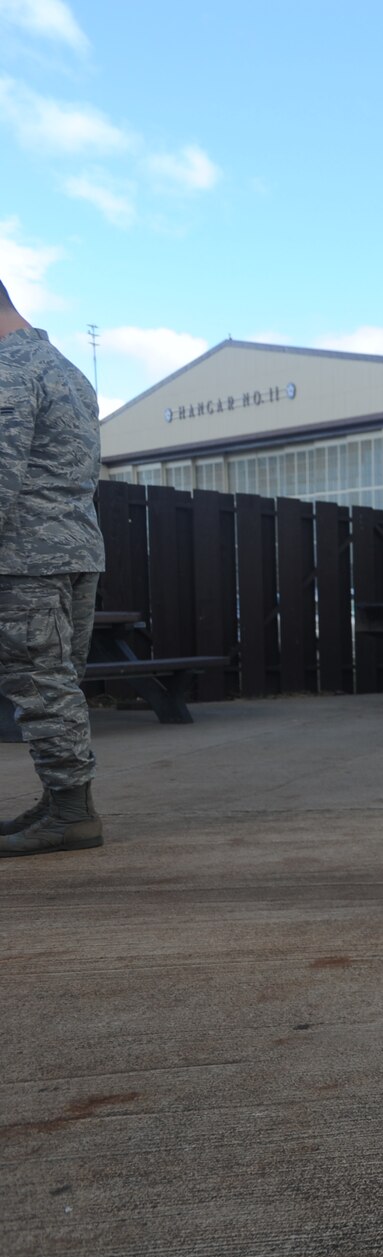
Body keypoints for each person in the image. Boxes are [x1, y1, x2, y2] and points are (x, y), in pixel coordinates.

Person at [0, 277, 106, 857]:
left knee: (39, 684)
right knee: (57, 682)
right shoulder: (65, 367)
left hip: (24, 558)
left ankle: (71, 814)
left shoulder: (8, 371)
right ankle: (62, 801)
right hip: (74, 547)